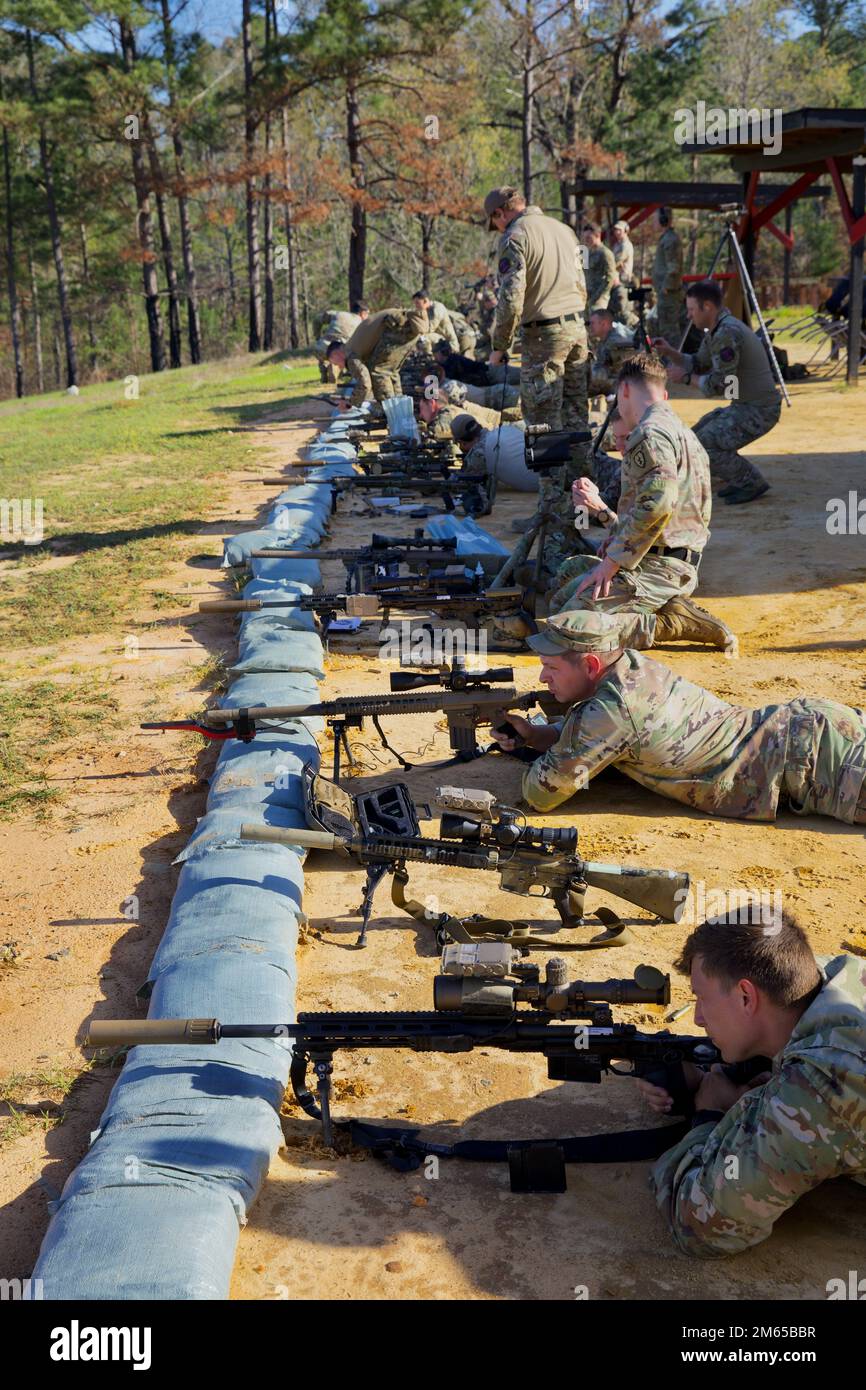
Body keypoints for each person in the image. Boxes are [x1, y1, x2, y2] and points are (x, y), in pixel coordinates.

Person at [490, 607, 866, 824]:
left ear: (590, 663)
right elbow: (599, 737)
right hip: (813, 728)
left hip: (823, 766)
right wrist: (537, 736)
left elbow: (541, 793)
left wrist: (544, 749)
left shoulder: (614, 711)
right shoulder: (629, 666)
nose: (542, 677)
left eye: (550, 668)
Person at [643, 911, 866, 1258]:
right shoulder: (834, 975)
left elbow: (701, 1226)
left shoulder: (822, 1088)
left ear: (746, 997)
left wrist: (710, 1114)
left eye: (702, 999)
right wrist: (701, 1068)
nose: (698, 1018)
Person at [550, 352, 736, 655]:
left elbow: (659, 504)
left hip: (659, 568)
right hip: (663, 560)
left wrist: (612, 562)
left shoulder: (649, 433)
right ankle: (662, 610)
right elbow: (662, 512)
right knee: (563, 592)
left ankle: (670, 623)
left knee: (566, 629)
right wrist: (611, 533)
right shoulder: (682, 432)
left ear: (624, 390)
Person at [483, 185, 591, 575]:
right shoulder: (563, 229)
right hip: (577, 330)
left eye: (493, 221)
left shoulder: (515, 237)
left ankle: (551, 513)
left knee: (543, 424)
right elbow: (582, 284)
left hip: (543, 336)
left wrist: (500, 345)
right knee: (577, 420)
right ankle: (585, 506)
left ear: (500, 213)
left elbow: (510, 299)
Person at [657, 279, 778, 505]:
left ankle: (750, 481)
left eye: (692, 309)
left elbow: (720, 383)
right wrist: (671, 352)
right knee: (694, 438)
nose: (688, 315)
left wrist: (685, 378)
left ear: (708, 308)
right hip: (746, 406)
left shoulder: (726, 333)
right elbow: (699, 362)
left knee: (703, 445)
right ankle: (737, 478)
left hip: (759, 410)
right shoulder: (718, 329)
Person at [327, 305, 428, 406]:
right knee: (390, 371)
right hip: (409, 325)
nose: (339, 366)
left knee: (378, 371)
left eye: (335, 362)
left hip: (397, 326)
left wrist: (350, 403)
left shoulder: (350, 353)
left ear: (337, 353)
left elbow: (365, 384)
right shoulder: (354, 345)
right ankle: (400, 406)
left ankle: (389, 410)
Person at [449, 411, 538, 491]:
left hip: (541, 482)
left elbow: (456, 483)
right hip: (547, 465)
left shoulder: (479, 454)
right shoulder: (504, 429)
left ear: (462, 443)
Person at [588, 308, 637, 398]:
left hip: (624, 386)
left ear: (604, 324)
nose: (590, 326)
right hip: (615, 382)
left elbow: (627, 370)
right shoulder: (606, 338)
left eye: (592, 323)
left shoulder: (619, 340)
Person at [652, 207, 684, 344]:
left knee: (669, 331)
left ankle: (674, 362)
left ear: (663, 220)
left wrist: (666, 287)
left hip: (668, 294)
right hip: (665, 293)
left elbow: (673, 267)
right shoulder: (666, 239)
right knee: (665, 329)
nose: (653, 222)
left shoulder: (670, 240)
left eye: (655, 219)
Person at [314, 303, 367, 383]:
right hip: (343, 350)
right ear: (362, 313)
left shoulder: (338, 314)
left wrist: (317, 336)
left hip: (323, 347)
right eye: (367, 314)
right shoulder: (362, 323)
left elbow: (317, 319)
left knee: (325, 353)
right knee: (350, 355)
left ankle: (324, 375)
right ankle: (338, 368)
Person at [582, 223, 617, 315]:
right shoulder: (587, 253)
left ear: (598, 235)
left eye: (589, 237)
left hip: (599, 299)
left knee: (597, 326)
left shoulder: (605, 253)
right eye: (584, 237)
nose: (586, 240)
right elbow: (583, 273)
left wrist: (597, 297)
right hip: (586, 297)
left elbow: (610, 278)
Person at [609, 221, 637, 326]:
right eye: (615, 230)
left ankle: (635, 326)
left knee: (624, 311)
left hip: (624, 282)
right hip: (618, 282)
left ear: (626, 231)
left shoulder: (625, 245)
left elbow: (615, 262)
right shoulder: (618, 244)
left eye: (619, 230)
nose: (616, 232)